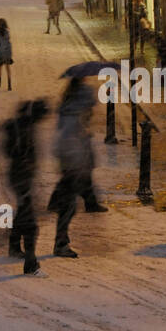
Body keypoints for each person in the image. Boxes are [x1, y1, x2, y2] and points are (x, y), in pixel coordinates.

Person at [48, 76, 103, 256]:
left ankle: (61, 239)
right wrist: (78, 160)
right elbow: (67, 141)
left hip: (71, 160)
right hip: (73, 161)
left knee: (68, 201)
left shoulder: (69, 111)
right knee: (69, 206)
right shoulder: (74, 119)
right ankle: (60, 244)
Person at [0, 99, 48, 276]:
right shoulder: (25, 131)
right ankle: (31, 264)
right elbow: (22, 155)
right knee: (31, 223)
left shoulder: (22, 128)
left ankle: (13, 245)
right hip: (22, 177)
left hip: (19, 176)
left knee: (24, 212)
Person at [0, 17, 14, 90]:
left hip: (0, 53)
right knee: (8, 68)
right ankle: (9, 85)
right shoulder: (7, 32)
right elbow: (8, 41)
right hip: (7, 52)